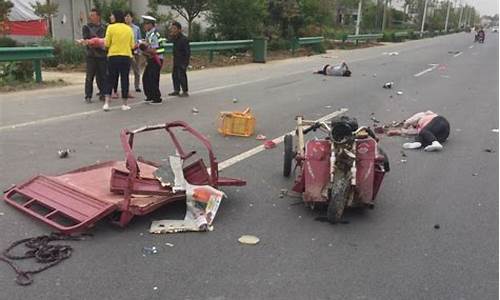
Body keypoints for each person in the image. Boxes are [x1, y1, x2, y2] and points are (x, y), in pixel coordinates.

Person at [102, 10, 134, 111]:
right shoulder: (129, 29)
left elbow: (106, 43)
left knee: (110, 79)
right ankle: (124, 103)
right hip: (125, 56)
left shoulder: (110, 28)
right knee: (124, 79)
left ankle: (107, 102)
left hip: (113, 56)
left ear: (116, 17)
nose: (110, 17)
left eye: (112, 15)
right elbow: (132, 45)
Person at [82, 8, 107, 103]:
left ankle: (103, 93)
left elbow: (106, 40)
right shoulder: (86, 27)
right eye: (90, 15)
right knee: (89, 76)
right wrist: (96, 42)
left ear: (98, 16)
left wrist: (99, 42)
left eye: (93, 15)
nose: (91, 17)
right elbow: (86, 40)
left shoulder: (105, 27)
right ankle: (88, 96)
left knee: (103, 76)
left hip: (102, 55)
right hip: (91, 55)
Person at [141, 16, 165, 104]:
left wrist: (143, 48)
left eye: (146, 23)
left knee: (153, 78)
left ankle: (157, 98)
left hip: (156, 59)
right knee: (146, 78)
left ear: (151, 24)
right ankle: (150, 96)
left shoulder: (154, 35)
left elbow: (154, 50)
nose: (144, 25)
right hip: (151, 59)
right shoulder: (149, 34)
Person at [168, 21, 191, 97]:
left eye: (174, 28)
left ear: (179, 30)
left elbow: (187, 52)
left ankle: (185, 91)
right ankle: (176, 90)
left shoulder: (184, 39)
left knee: (181, 75)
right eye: (172, 28)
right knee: (175, 75)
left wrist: (186, 63)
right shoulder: (175, 38)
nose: (173, 30)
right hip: (176, 60)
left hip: (182, 60)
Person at [125, 11, 144, 93]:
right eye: (125, 16)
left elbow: (139, 39)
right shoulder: (123, 28)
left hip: (136, 51)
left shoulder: (136, 28)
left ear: (132, 18)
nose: (127, 18)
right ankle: (126, 86)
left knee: (137, 69)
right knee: (126, 70)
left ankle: (137, 86)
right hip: (126, 51)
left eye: (128, 16)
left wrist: (139, 48)